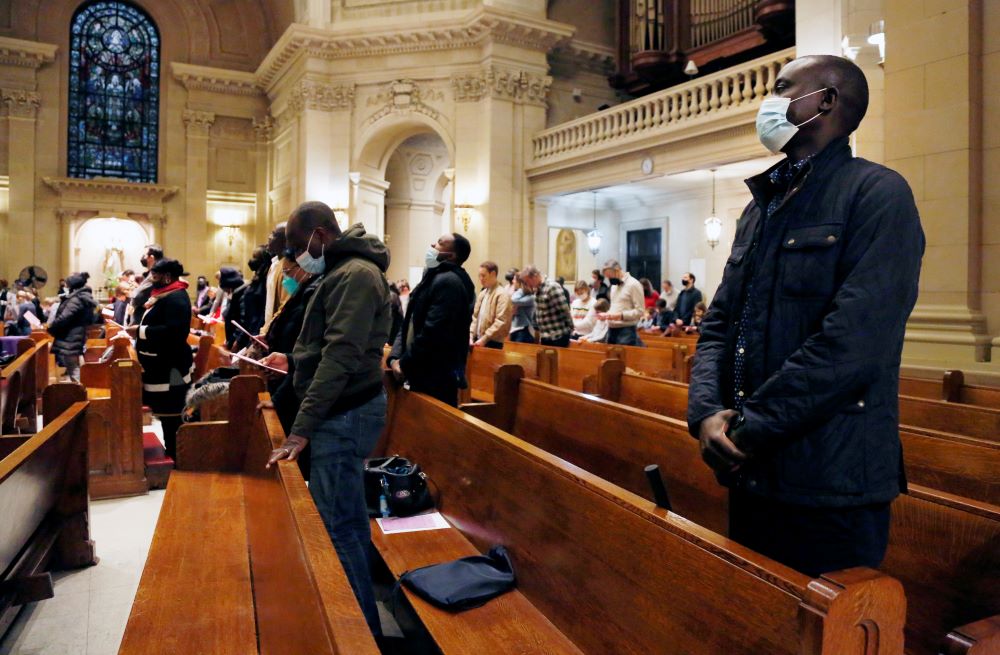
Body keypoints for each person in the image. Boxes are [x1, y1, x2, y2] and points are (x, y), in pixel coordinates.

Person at [687, 54, 924, 578]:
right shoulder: (762, 206)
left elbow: (852, 344)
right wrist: (705, 412)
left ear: (826, 101)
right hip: (751, 469)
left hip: (830, 479)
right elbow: (720, 324)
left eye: (781, 88)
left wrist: (748, 428)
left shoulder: (877, 193)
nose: (767, 102)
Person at [262, 201, 391, 638]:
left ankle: (357, 637)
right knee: (347, 523)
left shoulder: (355, 274)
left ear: (320, 235)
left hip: (346, 411)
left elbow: (342, 356)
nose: (298, 256)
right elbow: (326, 346)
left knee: (336, 529)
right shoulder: (342, 270)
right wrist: (294, 360)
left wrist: (300, 429)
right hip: (342, 407)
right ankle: (363, 628)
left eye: (299, 246)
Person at [388, 233, 476, 405]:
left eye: (439, 243)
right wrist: (394, 357)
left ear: (450, 256)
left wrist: (404, 363)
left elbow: (433, 332)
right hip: (420, 370)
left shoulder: (449, 282)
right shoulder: (432, 278)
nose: (432, 245)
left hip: (435, 376)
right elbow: (409, 322)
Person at [132, 259, 193, 459]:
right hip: (161, 366)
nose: (151, 279)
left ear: (167, 277)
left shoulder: (176, 298)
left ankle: (176, 456)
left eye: (155, 275)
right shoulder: (166, 294)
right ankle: (173, 453)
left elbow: (174, 332)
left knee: (172, 414)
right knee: (167, 414)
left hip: (171, 368)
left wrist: (140, 331)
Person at [49, 273, 97, 382]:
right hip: (78, 335)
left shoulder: (76, 299)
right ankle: (80, 389)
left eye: (67, 285)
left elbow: (64, 317)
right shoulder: (85, 297)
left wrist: (52, 328)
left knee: (73, 368)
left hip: (70, 337)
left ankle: (80, 390)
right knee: (74, 366)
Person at [227, 247, 270, 350]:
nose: (251, 260)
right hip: (247, 332)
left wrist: (240, 339)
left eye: (255, 257)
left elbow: (256, 315)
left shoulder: (265, 282)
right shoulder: (256, 280)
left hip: (254, 334)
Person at [520, 266, 573, 348]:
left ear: (535, 276)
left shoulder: (552, 287)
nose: (527, 285)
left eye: (527, 281)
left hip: (558, 336)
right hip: (546, 336)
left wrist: (570, 328)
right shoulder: (537, 289)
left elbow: (564, 310)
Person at [598, 260, 644, 346]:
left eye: (610, 276)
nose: (609, 279)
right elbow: (615, 307)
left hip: (626, 331)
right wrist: (607, 315)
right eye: (607, 277)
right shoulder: (614, 286)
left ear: (617, 270)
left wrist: (620, 315)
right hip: (611, 329)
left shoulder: (633, 284)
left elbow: (640, 311)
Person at [470, 260, 512, 350]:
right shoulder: (483, 293)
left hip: (493, 342)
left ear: (493, 274)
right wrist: (471, 335)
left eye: (483, 275)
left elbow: (501, 321)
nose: (481, 279)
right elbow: (475, 317)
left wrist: (484, 339)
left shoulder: (502, 294)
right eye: (479, 276)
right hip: (478, 340)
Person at [129, 243, 164, 325]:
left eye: (144, 255)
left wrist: (134, 290)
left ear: (151, 258)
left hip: (146, 321)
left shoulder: (156, 275)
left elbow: (137, 297)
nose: (143, 257)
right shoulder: (148, 274)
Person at [263, 222, 289, 326]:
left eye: (274, 234)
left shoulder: (289, 270)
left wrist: (268, 329)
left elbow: (287, 303)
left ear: (285, 241)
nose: (269, 237)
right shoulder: (274, 265)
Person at [508, 273, 536, 343]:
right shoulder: (519, 295)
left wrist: (520, 289)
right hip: (514, 329)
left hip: (524, 330)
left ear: (520, 282)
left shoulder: (531, 297)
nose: (513, 281)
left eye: (514, 279)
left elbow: (513, 300)